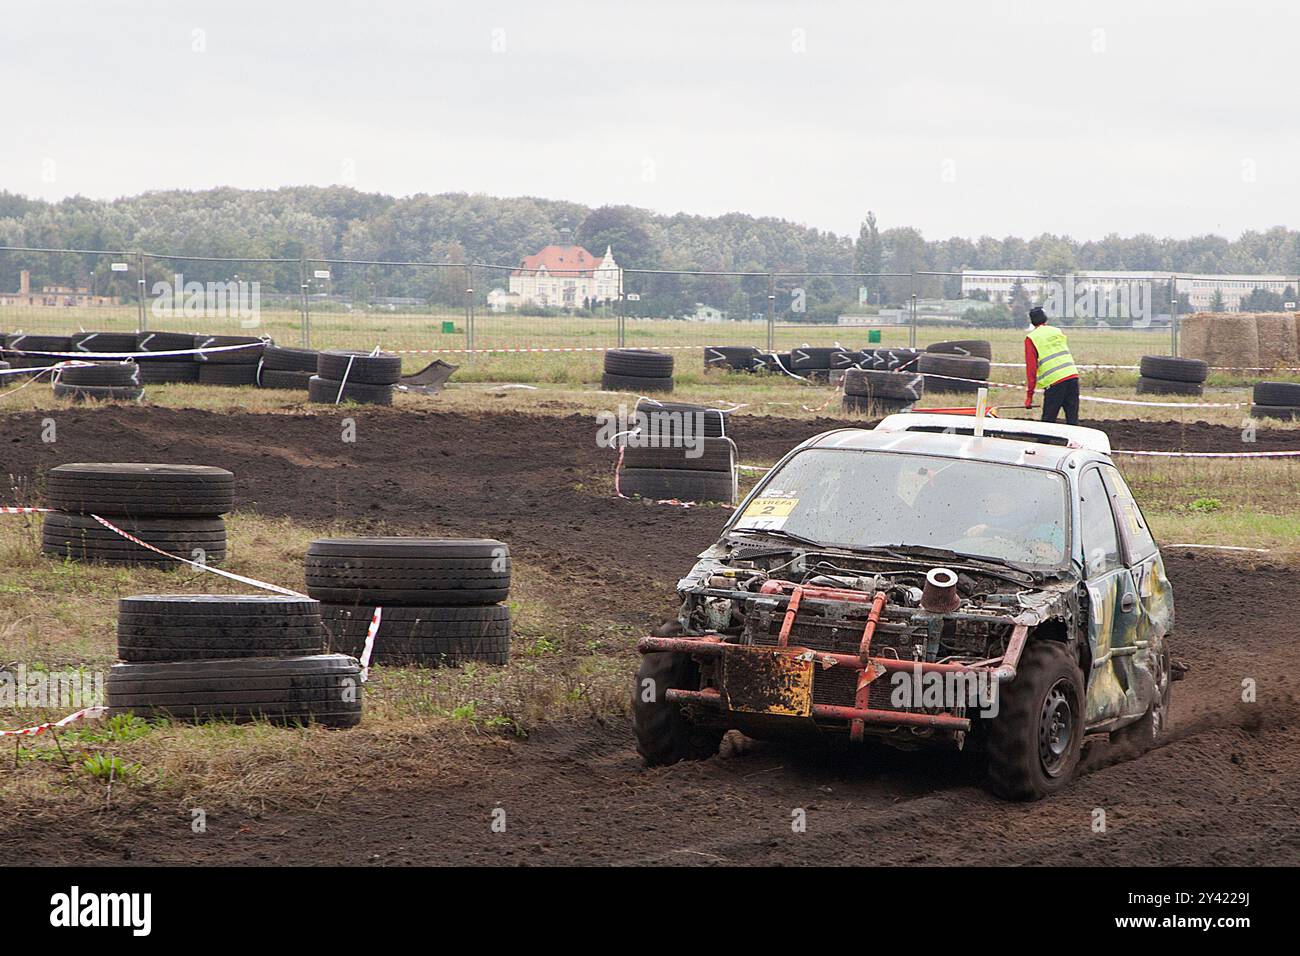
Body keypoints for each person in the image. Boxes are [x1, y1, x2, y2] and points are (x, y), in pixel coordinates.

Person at [1024, 306, 1080, 425]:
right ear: (1045, 319)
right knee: (1072, 418)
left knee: (1048, 421)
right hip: (1072, 375)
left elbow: (1031, 370)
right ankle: (1074, 443)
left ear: (1032, 321)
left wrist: (1029, 395)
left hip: (1055, 382)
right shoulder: (1057, 331)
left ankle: (1043, 443)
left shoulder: (1031, 338)